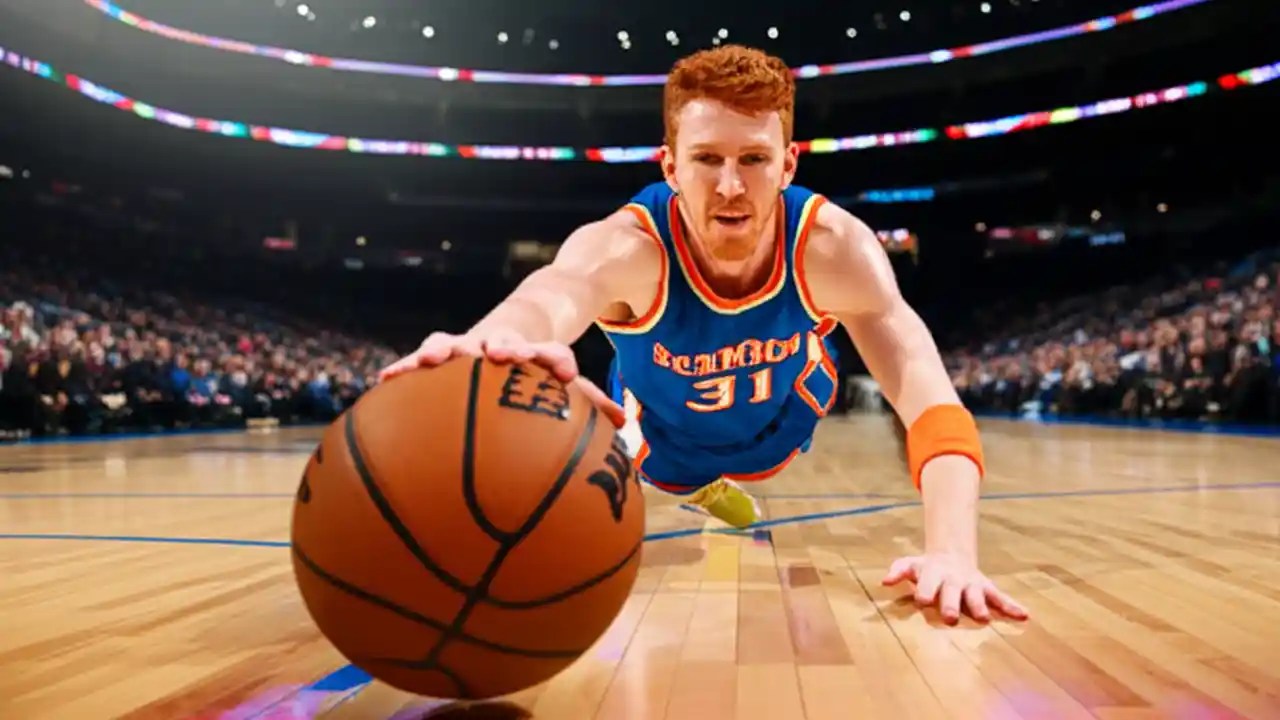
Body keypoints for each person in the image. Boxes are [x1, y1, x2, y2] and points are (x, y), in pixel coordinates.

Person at [381, 45, 1028, 624]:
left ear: (788, 165)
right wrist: (492, 343)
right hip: (663, 437)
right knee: (633, 470)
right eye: (706, 158)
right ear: (669, 166)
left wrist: (953, 553)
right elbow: (550, 295)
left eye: (754, 159)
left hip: (787, 414)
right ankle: (705, 491)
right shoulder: (626, 248)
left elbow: (933, 405)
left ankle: (715, 481)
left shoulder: (835, 250)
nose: (730, 186)